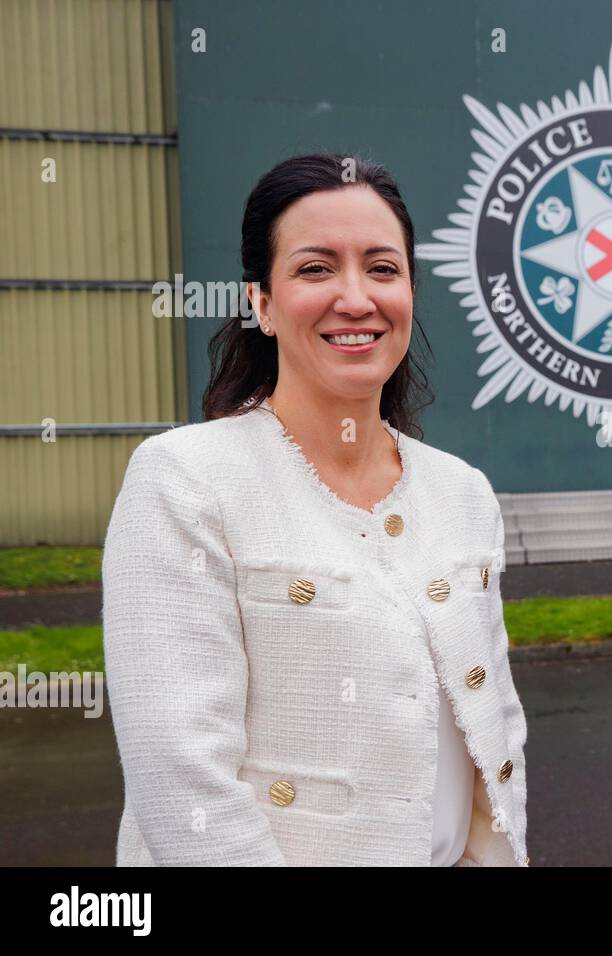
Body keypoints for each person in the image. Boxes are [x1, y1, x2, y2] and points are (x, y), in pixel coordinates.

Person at [102, 154, 528, 866]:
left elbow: (496, 734)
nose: (356, 298)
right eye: (315, 268)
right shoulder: (185, 482)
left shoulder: (463, 494)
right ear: (261, 303)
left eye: (383, 268)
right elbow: (183, 782)